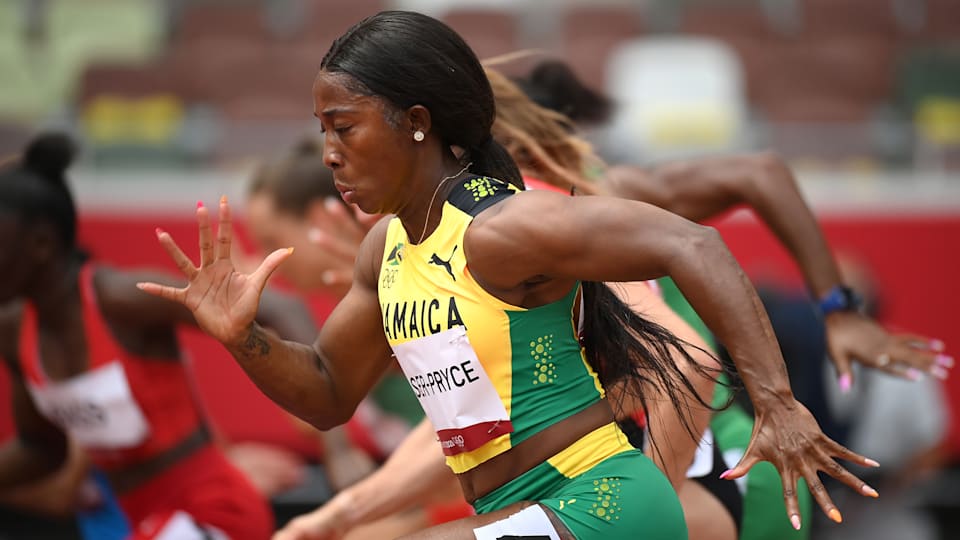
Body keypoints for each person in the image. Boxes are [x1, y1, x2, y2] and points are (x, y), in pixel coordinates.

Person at [141, 11, 881, 540]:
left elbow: (697, 246)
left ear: (417, 122)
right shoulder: (386, 252)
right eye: (321, 132)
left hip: (599, 501)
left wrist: (780, 403)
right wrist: (243, 339)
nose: (329, 152)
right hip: (512, 510)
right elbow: (330, 392)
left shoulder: (504, 229)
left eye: (344, 127)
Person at [0, 133, 318, 539]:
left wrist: (337, 442)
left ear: (41, 244)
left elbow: (285, 308)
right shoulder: (14, 332)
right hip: (144, 523)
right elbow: (40, 449)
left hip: (213, 511)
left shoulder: (117, 299)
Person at [245, 140, 471, 536]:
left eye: (269, 242)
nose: (262, 262)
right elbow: (310, 413)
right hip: (437, 498)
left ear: (319, 218)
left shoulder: (405, 278)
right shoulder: (351, 297)